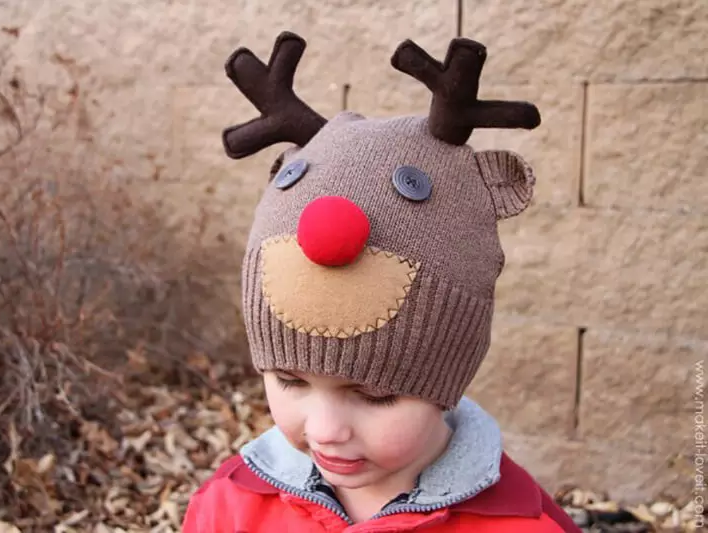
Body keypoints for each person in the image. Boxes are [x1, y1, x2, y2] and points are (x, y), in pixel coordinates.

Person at [182, 30, 581, 532]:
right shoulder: (231, 506)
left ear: (449, 370)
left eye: (373, 395)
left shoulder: (525, 525)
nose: (325, 431)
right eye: (289, 380)